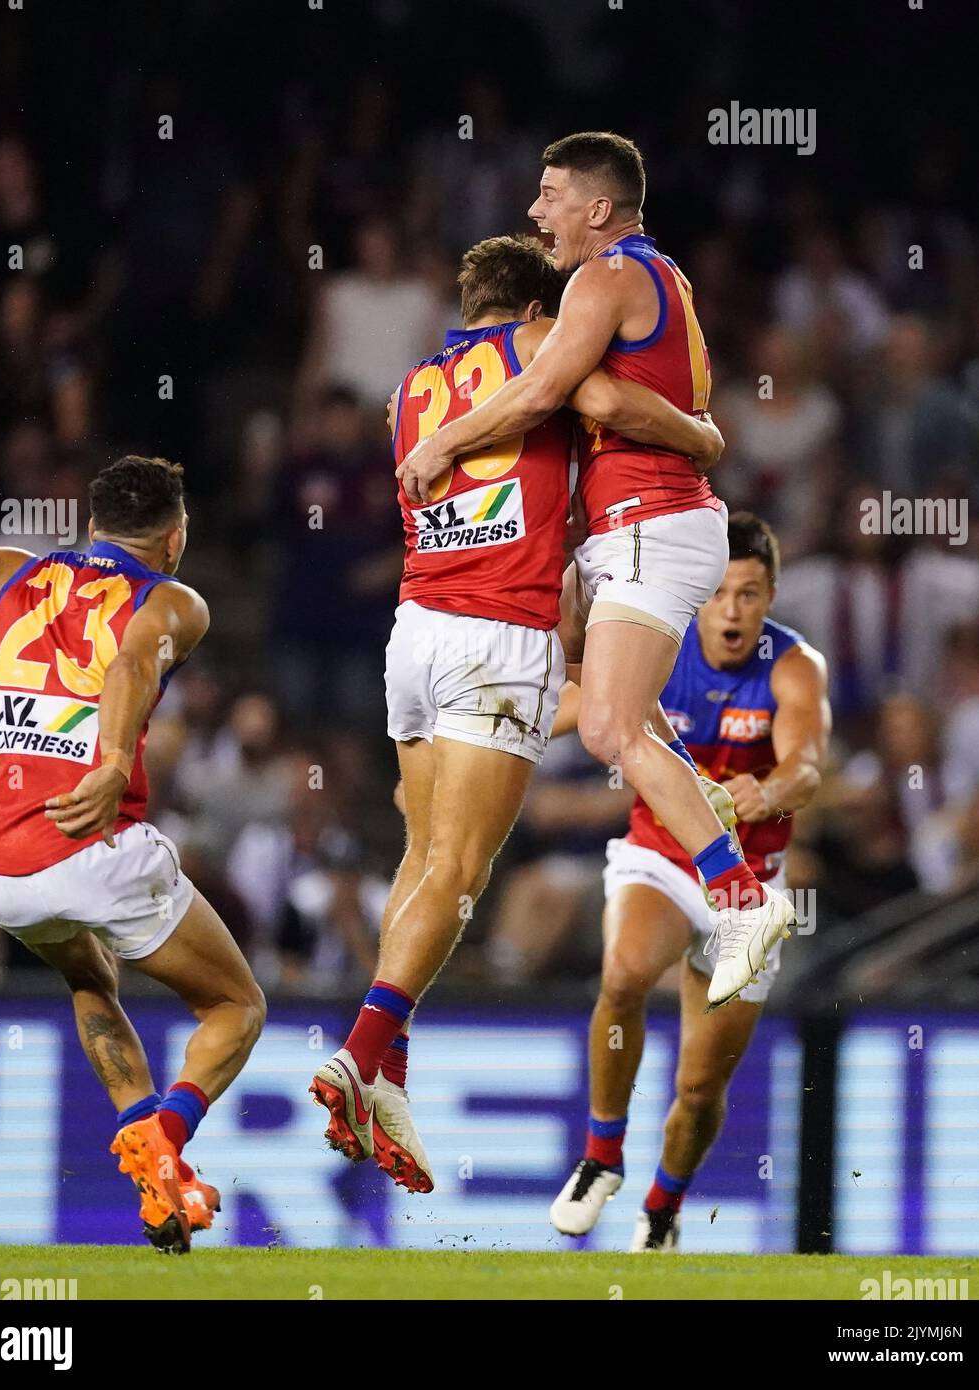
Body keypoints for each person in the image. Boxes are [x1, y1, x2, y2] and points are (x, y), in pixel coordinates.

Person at [310, 233, 725, 1192]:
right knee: (461, 868)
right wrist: (702, 436)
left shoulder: (411, 384)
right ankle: (359, 1053)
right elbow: (595, 400)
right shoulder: (542, 354)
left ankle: (389, 1076)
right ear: (544, 309)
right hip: (498, 633)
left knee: (421, 854)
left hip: (412, 630)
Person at [397, 132, 796, 1008]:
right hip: (642, 527)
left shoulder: (605, 276)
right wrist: (692, 431)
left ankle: (742, 901)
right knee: (610, 705)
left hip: (650, 524)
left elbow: (549, 390)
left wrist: (446, 439)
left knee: (613, 730)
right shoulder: (659, 276)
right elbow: (611, 398)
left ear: (599, 207)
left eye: (549, 195)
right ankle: (712, 812)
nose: (536, 212)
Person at [0, 454, 265, 1253]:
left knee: (87, 974)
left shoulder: (12, 572)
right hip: (89, 847)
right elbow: (135, 661)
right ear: (173, 540)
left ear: (90, 526)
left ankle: (150, 1164)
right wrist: (113, 761)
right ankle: (166, 1139)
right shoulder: (173, 598)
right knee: (235, 1006)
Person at [549, 513, 830, 1249]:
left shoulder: (795, 666)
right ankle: (601, 1156)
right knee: (625, 973)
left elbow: (807, 764)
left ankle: (663, 1208)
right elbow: (567, 707)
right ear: (699, 593)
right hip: (662, 860)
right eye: (722, 593)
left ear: (770, 597)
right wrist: (476, 739)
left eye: (751, 594)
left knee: (700, 1090)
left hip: (754, 889)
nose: (733, 611)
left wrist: (766, 793)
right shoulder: (658, 652)